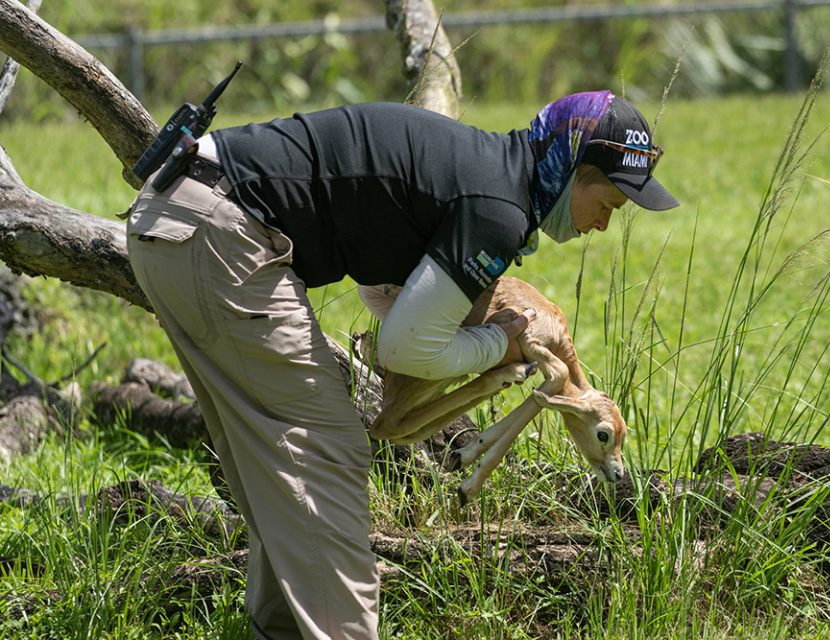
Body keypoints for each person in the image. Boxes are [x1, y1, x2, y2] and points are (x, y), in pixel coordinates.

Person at [125, 89, 678, 640]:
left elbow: (378, 288)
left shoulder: (487, 170)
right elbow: (402, 348)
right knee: (329, 451)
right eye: (608, 205)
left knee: (278, 465)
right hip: (223, 227)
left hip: (177, 212)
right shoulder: (497, 208)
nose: (603, 225)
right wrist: (499, 344)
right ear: (573, 168)